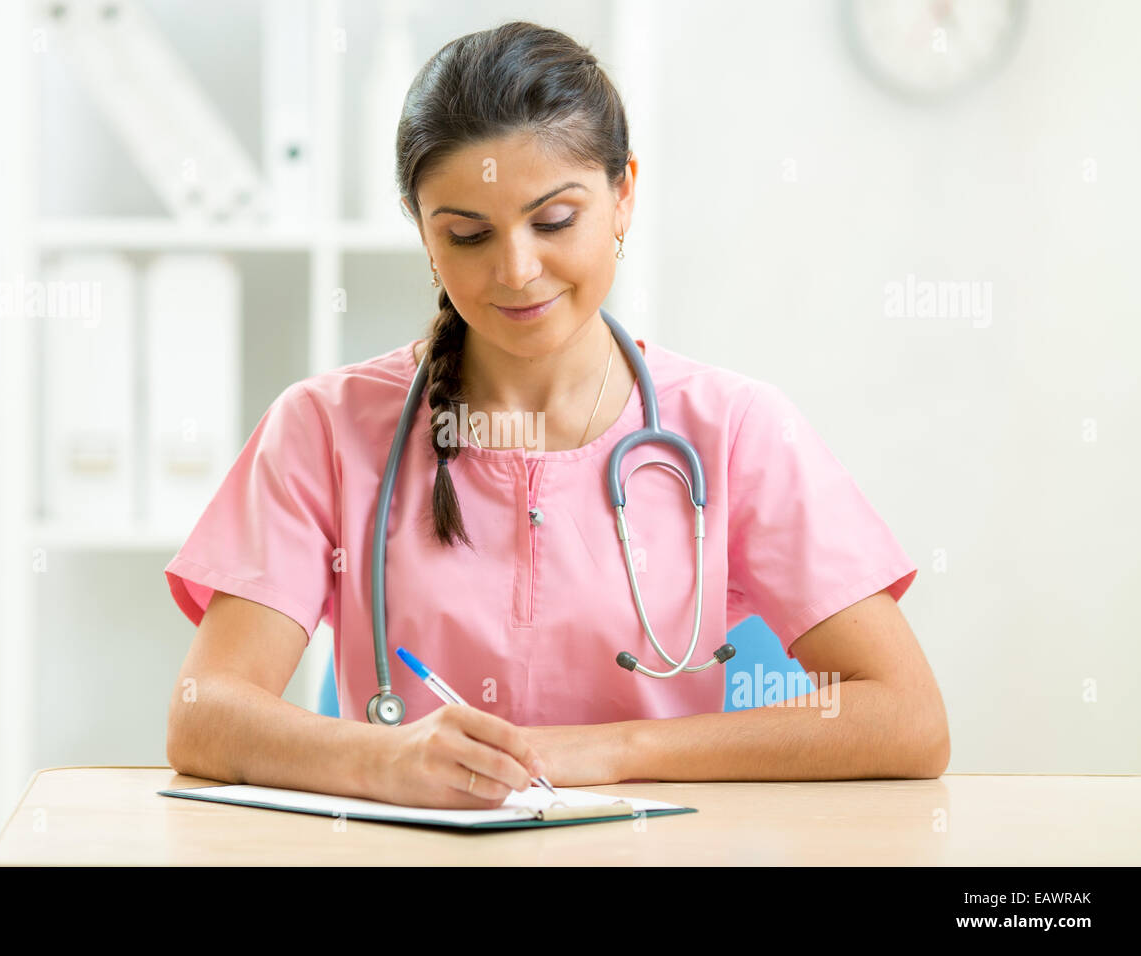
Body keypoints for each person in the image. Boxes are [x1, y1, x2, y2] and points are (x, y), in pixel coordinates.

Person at [164, 21, 948, 811]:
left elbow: (906, 717)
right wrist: (382, 760)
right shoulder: (324, 430)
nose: (516, 270)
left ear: (623, 196)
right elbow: (205, 716)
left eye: (553, 221)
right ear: (424, 236)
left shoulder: (735, 429)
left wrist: (610, 751)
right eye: (467, 234)